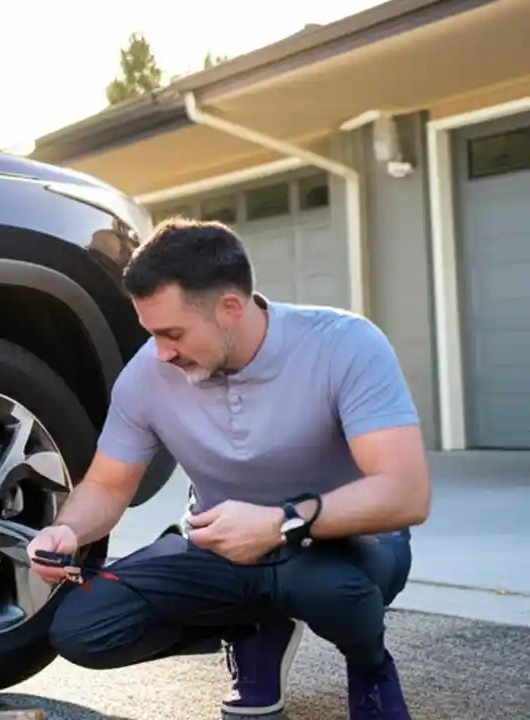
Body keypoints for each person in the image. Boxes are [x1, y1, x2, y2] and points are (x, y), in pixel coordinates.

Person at [28, 218, 430, 719]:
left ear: (231, 308)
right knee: (82, 629)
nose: (161, 352)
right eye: (151, 333)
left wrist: (281, 522)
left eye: (173, 333)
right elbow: (109, 485)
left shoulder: (345, 345)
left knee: (326, 588)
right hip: (220, 546)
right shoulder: (148, 374)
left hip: (344, 541)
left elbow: (405, 494)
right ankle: (253, 625)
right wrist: (67, 530)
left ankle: (369, 664)